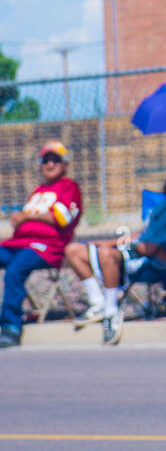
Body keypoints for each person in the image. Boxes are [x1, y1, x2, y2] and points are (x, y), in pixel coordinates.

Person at [65, 172, 166, 345]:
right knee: (73, 250)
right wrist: (108, 242)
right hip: (134, 249)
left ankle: (110, 311)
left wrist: (145, 249)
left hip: (153, 263)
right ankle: (97, 302)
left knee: (107, 254)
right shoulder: (162, 209)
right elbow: (141, 236)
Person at [0, 141, 83, 349]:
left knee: (14, 271)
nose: (50, 164)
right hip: (18, 244)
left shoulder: (69, 188)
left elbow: (62, 217)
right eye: (45, 160)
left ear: (65, 164)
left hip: (46, 247)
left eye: (55, 159)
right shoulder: (37, 191)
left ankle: (11, 327)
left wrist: (26, 216)